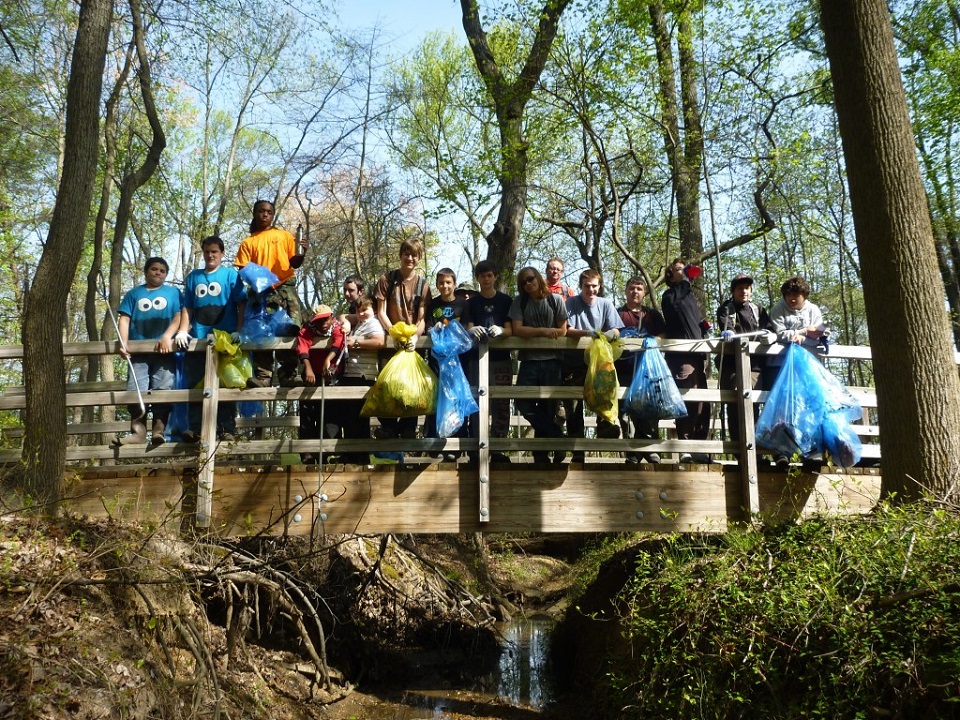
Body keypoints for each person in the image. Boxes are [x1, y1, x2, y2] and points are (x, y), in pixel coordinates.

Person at [176, 236, 246, 443]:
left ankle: (226, 429)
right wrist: (182, 330)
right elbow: (187, 306)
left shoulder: (230, 275)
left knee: (225, 383)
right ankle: (197, 429)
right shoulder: (194, 277)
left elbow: (241, 303)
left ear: (222, 254)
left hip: (225, 338)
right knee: (197, 383)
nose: (210, 255)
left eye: (214, 251)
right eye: (207, 251)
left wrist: (239, 330)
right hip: (199, 338)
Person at [234, 199, 308, 388]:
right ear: (254, 213)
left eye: (268, 212)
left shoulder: (284, 235)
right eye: (261, 211)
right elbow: (243, 270)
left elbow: (295, 262)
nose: (265, 215)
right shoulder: (248, 242)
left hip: (285, 289)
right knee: (261, 331)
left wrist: (303, 252)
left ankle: (288, 374)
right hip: (261, 293)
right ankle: (263, 376)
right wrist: (261, 281)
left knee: (289, 329)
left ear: (273, 215)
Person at [111, 257, 184, 447]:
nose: (157, 273)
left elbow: (179, 316)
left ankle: (159, 431)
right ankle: (138, 432)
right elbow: (125, 319)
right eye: (154, 269)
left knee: (163, 388)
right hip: (138, 352)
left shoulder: (173, 292)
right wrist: (123, 342)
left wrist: (168, 336)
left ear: (166, 274)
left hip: (164, 351)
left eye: (162, 270)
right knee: (136, 390)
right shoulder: (134, 294)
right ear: (146, 271)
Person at [372, 238, 432, 440]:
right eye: (406, 253)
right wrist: (393, 333)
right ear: (400, 255)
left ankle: (408, 428)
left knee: (411, 386)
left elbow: (423, 317)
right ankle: (388, 426)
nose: (410, 258)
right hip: (390, 341)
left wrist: (415, 336)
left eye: (414, 255)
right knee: (387, 384)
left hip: (413, 343)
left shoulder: (423, 285)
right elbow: (380, 311)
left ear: (419, 258)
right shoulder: (386, 280)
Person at [562, 269, 624, 463]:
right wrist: (589, 334)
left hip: (600, 361)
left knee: (604, 393)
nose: (591, 290)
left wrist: (607, 335)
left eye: (594, 286)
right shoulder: (570, 303)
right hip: (574, 361)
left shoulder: (605, 304)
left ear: (599, 286)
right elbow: (567, 329)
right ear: (581, 286)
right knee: (573, 406)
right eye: (587, 286)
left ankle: (606, 429)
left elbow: (616, 329)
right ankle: (577, 450)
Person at [508, 266, 568, 464]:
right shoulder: (520, 301)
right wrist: (543, 331)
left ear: (538, 278)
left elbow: (563, 330)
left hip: (553, 361)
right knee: (522, 402)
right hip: (529, 361)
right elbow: (517, 329)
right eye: (523, 282)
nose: (528, 284)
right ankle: (557, 438)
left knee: (548, 408)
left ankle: (541, 455)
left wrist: (550, 332)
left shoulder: (555, 300)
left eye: (530, 279)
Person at [661, 258, 712, 463]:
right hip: (680, 356)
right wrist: (685, 279)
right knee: (686, 399)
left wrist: (703, 326)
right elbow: (674, 313)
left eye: (684, 269)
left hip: (698, 355)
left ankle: (699, 447)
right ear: (670, 275)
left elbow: (692, 321)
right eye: (678, 269)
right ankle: (685, 447)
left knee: (701, 403)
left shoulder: (689, 296)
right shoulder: (670, 295)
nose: (683, 272)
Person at [715, 273, 774, 445]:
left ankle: (756, 451)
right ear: (733, 291)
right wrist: (729, 333)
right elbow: (727, 326)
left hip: (755, 366)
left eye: (747, 288)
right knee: (735, 407)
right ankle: (739, 451)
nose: (744, 291)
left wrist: (769, 336)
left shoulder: (758, 310)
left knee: (754, 407)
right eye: (740, 288)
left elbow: (769, 328)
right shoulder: (726, 309)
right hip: (732, 367)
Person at [616, 276, 667, 464]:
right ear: (626, 291)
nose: (634, 292)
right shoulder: (617, 313)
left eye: (638, 288)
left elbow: (663, 335)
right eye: (631, 288)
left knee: (649, 409)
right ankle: (631, 451)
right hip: (623, 368)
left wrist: (651, 341)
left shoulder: (652, 315)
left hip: (647, 370)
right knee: (624, 411)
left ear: (644, 292)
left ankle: (650, 448)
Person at [467, 260, 513, 463]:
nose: (486, 279)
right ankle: (477, 447)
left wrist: (502, 331)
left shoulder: (506, 301)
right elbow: (468, 326)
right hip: (476, 360)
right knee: (477, 403)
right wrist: (472, 330)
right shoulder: (471, 303)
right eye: (482, 276)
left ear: (495, 277)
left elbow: (511, 329)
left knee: (502, 404)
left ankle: (499, 448)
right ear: (477, 278)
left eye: (489, 275)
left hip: (501, 360)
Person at [425, 267, 473, 461]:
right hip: (437, 359)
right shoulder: (432, 304)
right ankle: (434, 442)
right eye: (441, 283)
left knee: (456, 399)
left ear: (454, 283)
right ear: (437, 285)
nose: (445, 286)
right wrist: (433, 330)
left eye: (448, 282)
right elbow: (427, 326)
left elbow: (468, 326)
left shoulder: (463, 304)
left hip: (459, 361)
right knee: (436, 397)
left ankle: (455, 445)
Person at [296, 305, 346, 464]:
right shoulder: (308, 329)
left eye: (326, 319)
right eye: (319, 320)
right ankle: (307, 453)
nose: (323, 323)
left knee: (331, 414)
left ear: (332, 318)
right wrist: (308, 368)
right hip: (312, 374)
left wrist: (328, 359)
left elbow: (339, 341)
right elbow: (302, 344)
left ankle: (327, 452)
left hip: (331, 375)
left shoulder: (338, 327)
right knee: (308, 412)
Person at [337, 297, 385, 464]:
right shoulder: (359, 323)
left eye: (365, 310)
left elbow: (379, 341)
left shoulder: (373, 323)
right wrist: (348, 322)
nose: (362, 313)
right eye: (359, 310)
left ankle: (361, 456)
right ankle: (351, 454)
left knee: (359, 418)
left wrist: (355, 342)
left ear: (374, 311)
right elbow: (343, 316)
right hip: (352, 374)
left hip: (364, 375)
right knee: (349, 417)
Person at [766, 276, 827, 387]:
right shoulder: (777, 309)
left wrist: (802, 338)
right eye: (788, 295)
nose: (792, 299)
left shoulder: (813, 310)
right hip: (780, 364)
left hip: (808, 363)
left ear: (804, 296)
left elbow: (818, 338)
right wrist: (805, 331)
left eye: (795, 295)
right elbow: (780, 334)